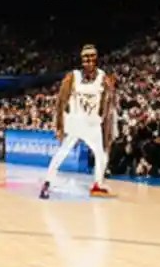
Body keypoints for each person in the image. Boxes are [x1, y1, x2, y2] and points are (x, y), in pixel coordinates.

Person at [40, 44, 117, 199]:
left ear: (96, 59)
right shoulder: (73, 76)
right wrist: (59, 125)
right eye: (85, 58)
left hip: (93, 123)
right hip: (76, 121)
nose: (88, 61)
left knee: (101, 154)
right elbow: (61, 101)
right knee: (63, 151)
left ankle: (97, 184)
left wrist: (104, 120)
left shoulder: (103, 77)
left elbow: (108, 100)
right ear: (81, 60)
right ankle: (47, 181)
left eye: (91, 57)